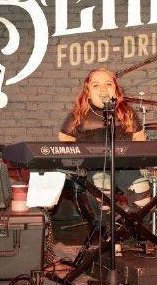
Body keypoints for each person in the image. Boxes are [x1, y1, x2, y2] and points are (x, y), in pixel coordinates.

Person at [58, 68, 145, 216]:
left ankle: (131, 229)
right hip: (93, 168)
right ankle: (107, 233)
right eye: (96, 85)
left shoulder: (127, 112)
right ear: (88, 93)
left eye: (109, 84)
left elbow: (140, 140)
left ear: (116, 90)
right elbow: (64, 139)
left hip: (125, 166)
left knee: (143, 195)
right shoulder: (78, 115)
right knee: (102, 190)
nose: (103, 89)